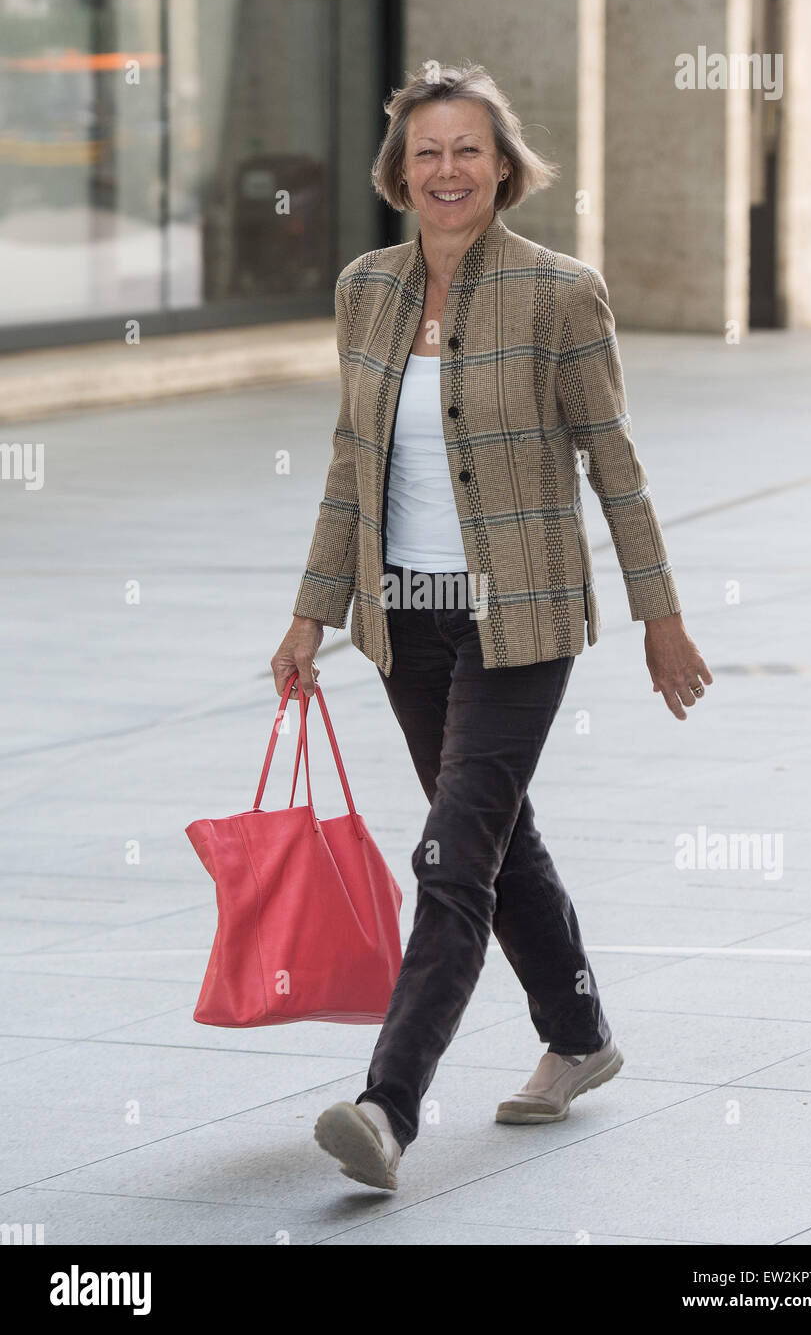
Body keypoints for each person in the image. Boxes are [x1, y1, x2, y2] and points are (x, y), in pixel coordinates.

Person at [271, 62, 712, 1192]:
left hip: (521, 616)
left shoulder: (561, 290)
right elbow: (346, 464)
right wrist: (310, 613)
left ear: (505, 167)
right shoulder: (365, 287)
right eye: (427, 151)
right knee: (495, 834)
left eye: (469, 149)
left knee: (451, 854)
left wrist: (660, 614)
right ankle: (579, 1037)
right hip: (405, 617)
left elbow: (615, 465)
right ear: (398, 170)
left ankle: (388, 1106)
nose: (447, 169)